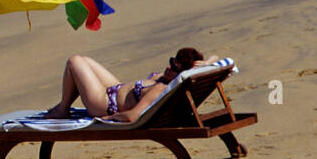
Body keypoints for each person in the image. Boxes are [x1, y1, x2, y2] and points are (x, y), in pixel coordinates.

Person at [43, 46, 207, 122]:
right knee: (84, 61)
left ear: (181, 74)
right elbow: (217, 59)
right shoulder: (167, 79)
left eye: (174, 68)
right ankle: (62, 106)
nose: (168, 67)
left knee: (75, 61)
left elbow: (132, 116)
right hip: (116, 90)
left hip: (105, 104)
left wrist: (108, 118)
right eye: (171, 61)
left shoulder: (159, 89)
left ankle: (63, 108)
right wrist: (205, 63)